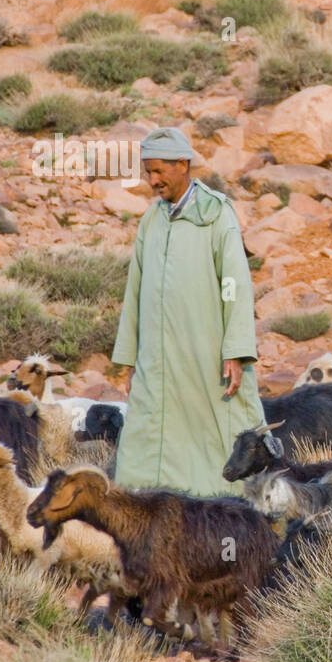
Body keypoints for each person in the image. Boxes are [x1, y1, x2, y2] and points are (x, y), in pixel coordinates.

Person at [111, 126, 265, 497]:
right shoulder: (152, 219)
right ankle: (146, 516)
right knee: (146, 436)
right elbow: (136, 290)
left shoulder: (217, 214)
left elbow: (235, 284)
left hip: (204, 350)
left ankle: (224, 514)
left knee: (213, 431)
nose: (153, 180)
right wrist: (130, 357)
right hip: (157, 357)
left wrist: (235, 350)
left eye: (159, 171)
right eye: (148, 172)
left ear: (183, 164)